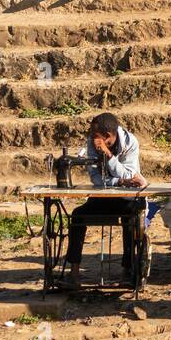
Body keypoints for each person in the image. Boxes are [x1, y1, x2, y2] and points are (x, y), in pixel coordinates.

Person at [63, 112, 147, 288]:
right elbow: (95, 178)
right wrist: (118, 182)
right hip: (103, 196)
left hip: (126, 198)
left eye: (96, 136)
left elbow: (129, 174)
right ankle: (74, 272)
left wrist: (108, 156)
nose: (92, 140)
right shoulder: (92, 142)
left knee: (131, 219)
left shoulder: (130, 142)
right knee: (78, 216)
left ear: (108, 136)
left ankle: (128, 269)